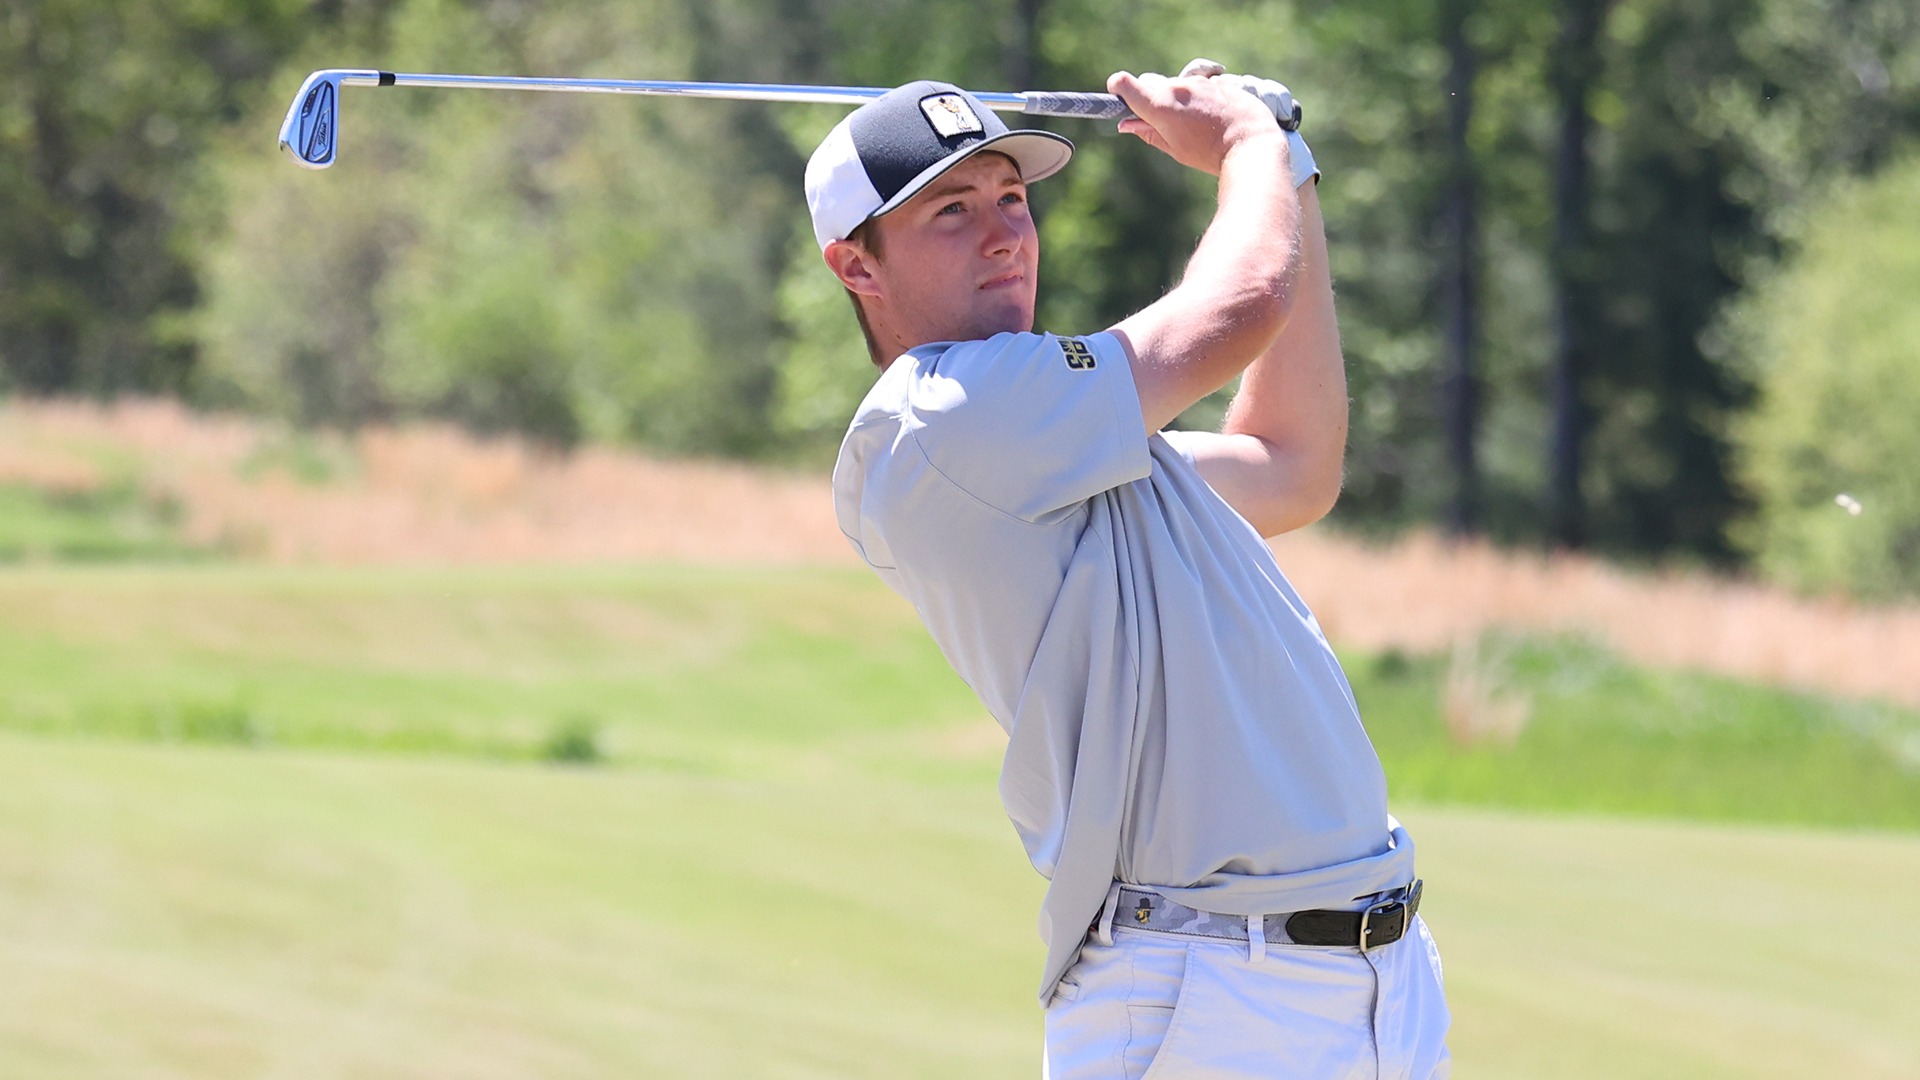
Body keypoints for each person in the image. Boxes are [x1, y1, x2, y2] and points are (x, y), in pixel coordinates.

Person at [805, 60, 1451, 1079]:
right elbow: (1235, 309)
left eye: (1013, 197)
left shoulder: (1060, 443)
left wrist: (1291, 164)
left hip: (1364, 980)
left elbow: (1293, 462)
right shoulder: (937, 420)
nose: (1006, 232)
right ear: (857, 267)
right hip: (1208, 987)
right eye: (952, 210)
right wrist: (1247, 149)